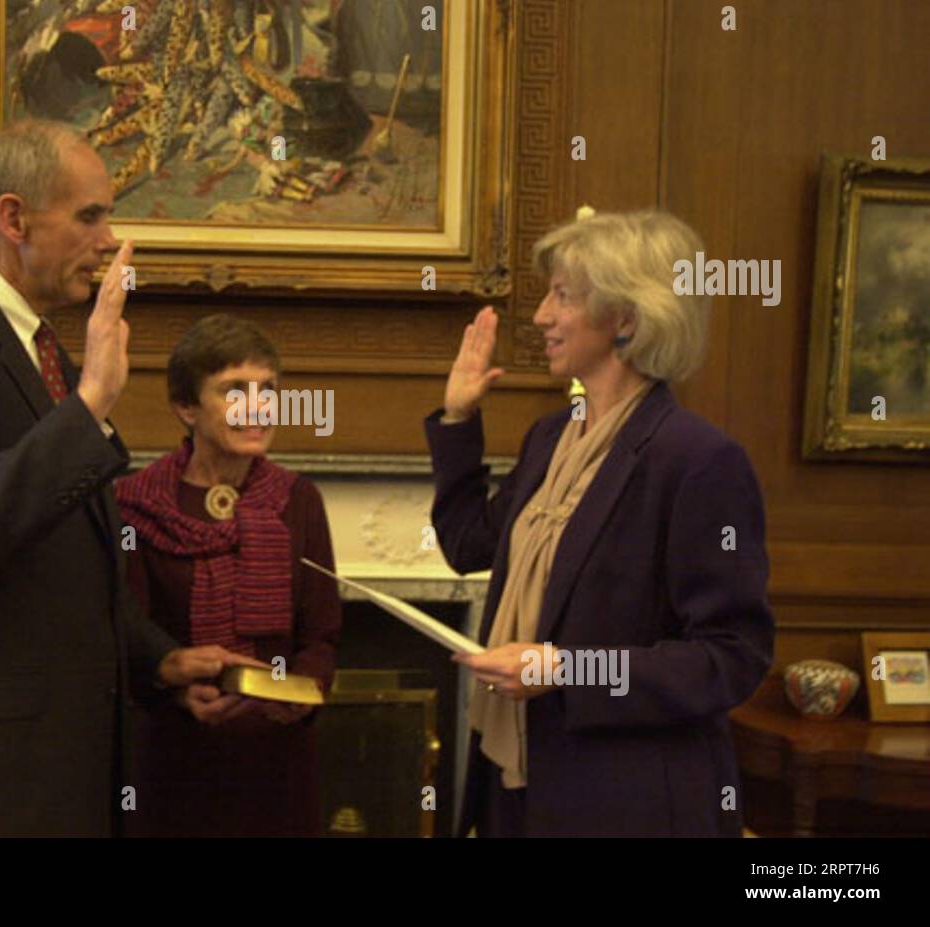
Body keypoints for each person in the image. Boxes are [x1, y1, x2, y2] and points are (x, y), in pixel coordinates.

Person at [0, 120, 256, 837]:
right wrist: (92, 403)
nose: (108, 239)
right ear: (14, 218)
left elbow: (64, 576)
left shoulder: (44, 352)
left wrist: (160, 661)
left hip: (63, 781)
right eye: (89, 216)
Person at [426, 209, 774, 837]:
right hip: (515, 783)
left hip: (625, 802)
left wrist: (565, 669)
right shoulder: (550, 437)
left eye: (562, 296)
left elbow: (729, 658)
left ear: (627, 318)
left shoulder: (700, 461)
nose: (539, 317)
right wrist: (457, 421)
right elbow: (467, 543)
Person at [115, 314, 341, 837]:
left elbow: (322, 640)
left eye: (267, 390)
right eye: (234, 390)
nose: (258, 407)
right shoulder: (132, 506)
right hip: (172, 761)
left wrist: (279, 698)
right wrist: (176, 693)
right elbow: (124, 639)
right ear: (185, 407)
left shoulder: (298, 500)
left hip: (276, 764)